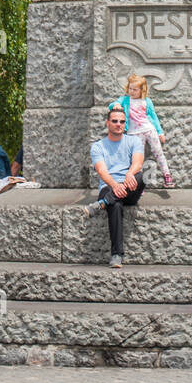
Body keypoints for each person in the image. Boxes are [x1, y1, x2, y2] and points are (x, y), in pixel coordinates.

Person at [85, 105, 145, 268]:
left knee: (146, 172)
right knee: (116, 204)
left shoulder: (134, 141)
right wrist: (114, 185)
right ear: (108, 123)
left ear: (125, 124)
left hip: (130, 185)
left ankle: (102, 203)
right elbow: (102, 171)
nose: (119, 124)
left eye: (122, 121)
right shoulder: (98, 146)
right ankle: (116, 255)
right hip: (109, 186)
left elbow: (138, 162)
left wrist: (129, 174)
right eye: (115, 121)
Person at [112, 74, 174, 189]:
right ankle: (138, 185)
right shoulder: (125, 100)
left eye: (135, 89)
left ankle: (167, 175)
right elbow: (112, 105)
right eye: (130, 88)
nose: (132, 91)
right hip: (134, 134)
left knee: (158, 153)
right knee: (137, 159)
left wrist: (160, 132)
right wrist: (115, 104)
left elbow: (153, 117)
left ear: (142, 90)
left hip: (149, 130)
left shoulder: (146, 101)